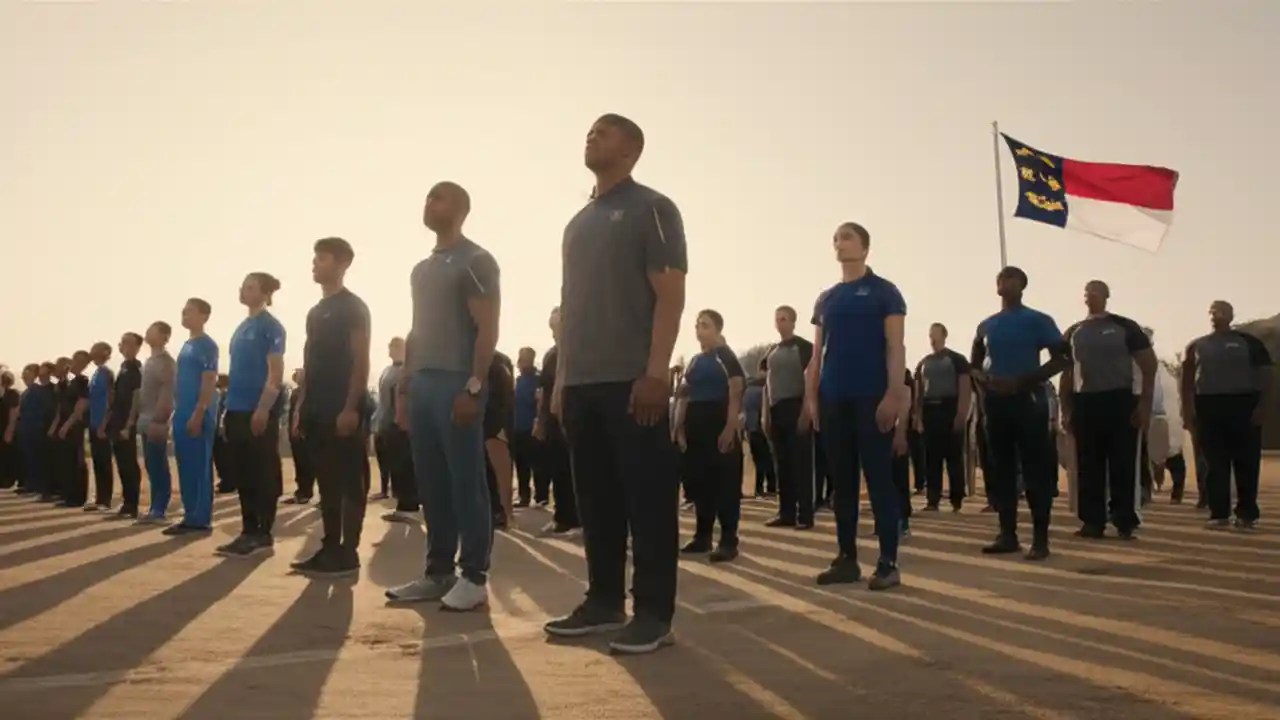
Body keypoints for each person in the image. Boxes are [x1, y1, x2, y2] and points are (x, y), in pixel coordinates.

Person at [542, 114, 685, 655]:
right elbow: (572, 305)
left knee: (647, 501)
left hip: (632, 381)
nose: (591, 135)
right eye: (589, 130)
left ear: (632, 149)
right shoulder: (577, 223)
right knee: (595, 502)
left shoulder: (652, 207)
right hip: (581, 383)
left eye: (605, 130)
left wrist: (655, 373)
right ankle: (603, 602)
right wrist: (562, 382)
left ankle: (653, 613)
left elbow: (670, 296)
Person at [386, 181, 499, 611]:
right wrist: (405, 388)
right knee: (431, 483)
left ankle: (474, 575)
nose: (429, 203)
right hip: (424, 386)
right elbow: (417, 329)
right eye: (427, 196)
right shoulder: (421, 269)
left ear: (461, 209)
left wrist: (473, 385)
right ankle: (437, 572)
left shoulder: (476, 261)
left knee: (465, 482)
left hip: (457, 383)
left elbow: (487, 327)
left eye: (439, 197)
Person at [806, 221, 907, 590]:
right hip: (834, 399)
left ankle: (888, 561)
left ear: (865, 248)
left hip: (871, 398)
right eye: (835, 238)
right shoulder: (826, 299)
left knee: (879, 480)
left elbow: (896, 347)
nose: (839, 243)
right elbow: (816, 355)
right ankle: (846, 558)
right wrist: (812, 399)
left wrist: (893, 393)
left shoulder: (885, 293)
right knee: (842, 484)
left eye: (847, 237)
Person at [969, 266, 1069, 560]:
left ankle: (1040, 539)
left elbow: (1062, 357)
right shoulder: (987, 325)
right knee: (1001, 470)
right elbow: (974, 363)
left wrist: (1024, 380)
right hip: (996, 404)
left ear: (1022, 286)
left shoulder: (1038, 320)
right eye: (1001, 278)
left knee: (1036, 470)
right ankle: (1007, 534)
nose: (1005, 283)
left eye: (1012, 279)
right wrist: (985, 381)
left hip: (1029, 401)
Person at [290, 237, 372, 575]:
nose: (314, 264)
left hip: (343, 406)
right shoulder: (315, 311)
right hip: (317, 408)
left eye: (321, 259)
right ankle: (329, 546)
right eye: (314, 258)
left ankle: (348, 552)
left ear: (342, 263)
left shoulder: (353, 307)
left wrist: (351, 406)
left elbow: (361, 358)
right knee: (326, 482)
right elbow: (310, 360)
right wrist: (300, 407)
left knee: (350, 480)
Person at [1059, 281, 1156, 540]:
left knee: (1123, 463)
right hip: (1085, 402)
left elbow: (1149, 365)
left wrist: (1144, 404)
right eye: (1087, 291)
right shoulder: (1074, 332)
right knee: (1088, 465)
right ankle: (1092, 522)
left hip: (1120, 400)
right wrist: (1065, 408)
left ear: (1106, 296)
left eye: (1096, 291)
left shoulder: (1125, 327)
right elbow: (1066, 372)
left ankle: (1125, 520)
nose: (1091, 295)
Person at [1181, 300, 1273, 530]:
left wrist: (1262, 406)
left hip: (1243, 405)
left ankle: (1247, 513)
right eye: (1212, 311)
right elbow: (1187, 379)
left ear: (1231, 316)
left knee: (1247, 462)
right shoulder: (1197, 345)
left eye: (1222, 311)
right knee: (1214, 462)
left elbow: (1267, 376)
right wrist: (1187, 408)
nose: (1217, 315)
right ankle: (1218, 513)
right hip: (1208, 406)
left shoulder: (1250, 343)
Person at [217, 272, 287, 558]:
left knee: (262, 473)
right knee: (242, 473)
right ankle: (247, 530)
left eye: (250, 287)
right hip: (236, 409)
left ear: (265, 293)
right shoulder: (241, 327)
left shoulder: (271, 328)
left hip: (258, 412)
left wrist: (263, 408)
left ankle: (263, 532)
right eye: (243, 286)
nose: (243, 291)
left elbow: (276, 374)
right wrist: (227, 410)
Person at [673, 310, 745, 562]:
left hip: (719, 421)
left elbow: (736, 388)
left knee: (724, 484)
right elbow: (683, 393)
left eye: (705, 325)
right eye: (697, 325)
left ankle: (728, 540)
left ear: (717, 330)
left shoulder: (724, 356)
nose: (699, 330)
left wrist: (730, 426)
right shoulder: (694, 360)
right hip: (696, 425)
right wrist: (679, 427)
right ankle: (702, 536)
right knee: (700, 482)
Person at [165, 298, 219, 536]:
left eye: (189, 312)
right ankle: (189, 514)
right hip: (183, 411)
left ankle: (200, 518)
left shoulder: (207, 345)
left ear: (204, 316)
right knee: (185, 465)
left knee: (198, 466)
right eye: (183, 312)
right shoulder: (187, 344)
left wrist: (199, 412)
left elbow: (209, 380)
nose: (185, 316)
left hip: (198, 412)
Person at [762, 306, 816, 529]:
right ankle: (786, 512)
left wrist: (807, 410)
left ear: (793, 322)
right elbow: (767, 383)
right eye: (778, 319)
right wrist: (765, 414)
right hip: (776, 409)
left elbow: (811, 380)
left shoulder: (803, 347)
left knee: (801, 463)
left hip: (797, 405)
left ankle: (805, 515)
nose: (781, 322)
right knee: (781, 463)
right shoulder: (772, 351)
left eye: (784, 319)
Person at [913, 323, 972, 512]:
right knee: (931, 458)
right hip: (930, 410)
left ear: (944, 336)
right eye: (930, 336)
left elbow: (965, 388)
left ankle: (956, 499)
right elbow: (919, 392)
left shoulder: (957, 360)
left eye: (936, 335)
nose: (932, 339)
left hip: (950, 408)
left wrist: (961, 414)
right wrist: (918, 416)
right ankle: (932, 499)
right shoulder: (924, 363)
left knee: (954, 457)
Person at [534, 306, 579, 535]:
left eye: (556, 327)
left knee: (576, 472)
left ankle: (577, 519)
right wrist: (540, 421)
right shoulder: (552, 355)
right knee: (558, 470)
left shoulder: (579, 351)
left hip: (574, 418)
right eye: (551, 328)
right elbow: (543, 391)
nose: (553, 332)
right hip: (553, 420)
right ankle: (562, 517)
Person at [134, 322, 177, 525]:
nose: (147, 333)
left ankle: (160, 509)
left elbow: (168, 392)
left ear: (165, 337)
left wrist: (160, 420)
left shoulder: (166, 362)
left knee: (158, 464)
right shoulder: (149, 361)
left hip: (156, 420)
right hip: (144, 419)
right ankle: (153, 507)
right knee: (150, 465)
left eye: (153, 330)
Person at [376, 337, 418, 523]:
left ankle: (408, 506)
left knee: (404, 466)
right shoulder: (387, 371)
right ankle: (402, 501)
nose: (391, 349)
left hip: (400, 424)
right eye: (390, 346)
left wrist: (403, 420)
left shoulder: (406, 371)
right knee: (394, 465)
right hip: (386, 424)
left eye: (395, 346)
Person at [108, 332, 144, 519]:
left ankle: (133, 504)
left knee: (129, 463)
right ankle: (126, 502)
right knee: (122, 463)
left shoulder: (136, 369)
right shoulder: (123, 368)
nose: (124, 346)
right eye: (122, 343)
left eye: (129, 343)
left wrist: (129, 424)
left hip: (126, 423)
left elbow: (136, 398)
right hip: (116, 421)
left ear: (137, 347)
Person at [484, 351, 516, 530]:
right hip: (497, 421)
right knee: (495, 471)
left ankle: (504, 512)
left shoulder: (495, 363)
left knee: (498, 471)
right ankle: (501, 511)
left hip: (493, 422)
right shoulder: (502, 361)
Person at [56, 352, 92, 509]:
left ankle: (78, 497)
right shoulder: (69, 381)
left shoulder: (83, 381)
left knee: (77, 460)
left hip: (75, 424)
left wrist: (68, 424)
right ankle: (69, 495)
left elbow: (82, 403)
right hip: (66, 423)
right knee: (66, 461)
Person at [86, 341, 116, 512]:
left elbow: (110, 400)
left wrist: (104, 424)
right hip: (93, 422)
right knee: (97, 461)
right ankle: (99, 498)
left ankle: (106, 500)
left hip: (102, 424)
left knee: (104, 462)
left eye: (95, 350)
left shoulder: (107, 373)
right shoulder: (96, 373)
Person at [512, 347, 541, 507]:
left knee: (536, 463)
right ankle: (524, 495)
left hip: (531, 425)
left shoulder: (537, 379)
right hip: (518, 426)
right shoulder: (518, 380)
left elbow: (536, 400)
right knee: (521, 464)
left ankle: (540, 494)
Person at [742, 360, 775, 497]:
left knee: (758, 459)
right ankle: (771, 487)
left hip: (751, 428)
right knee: (769, 459)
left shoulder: (748, 389)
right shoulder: (767, 387)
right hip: (764, 427)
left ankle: (759, 487)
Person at [284, 369, 315, 504]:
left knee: (308, 463)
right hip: (294, 432)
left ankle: (307, 492)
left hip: (307, 434)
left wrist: (305, 429)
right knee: (298, 463)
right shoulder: (295, 393)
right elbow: (292, 412)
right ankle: (300, 491)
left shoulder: (312, 393)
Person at [213, 373, 236, 494]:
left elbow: (223, 413)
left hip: (223, 430)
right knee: (220, 457)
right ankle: (226, 480)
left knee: (224, 458)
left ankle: (228, 482)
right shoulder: (222, 394)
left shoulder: (225, 394)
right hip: (219, 430)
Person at [0, 370, 19, 490]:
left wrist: (10, 429)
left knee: (7, 453)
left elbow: (14, 412)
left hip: (6, 427)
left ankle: (7, 479)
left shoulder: (12, 394)